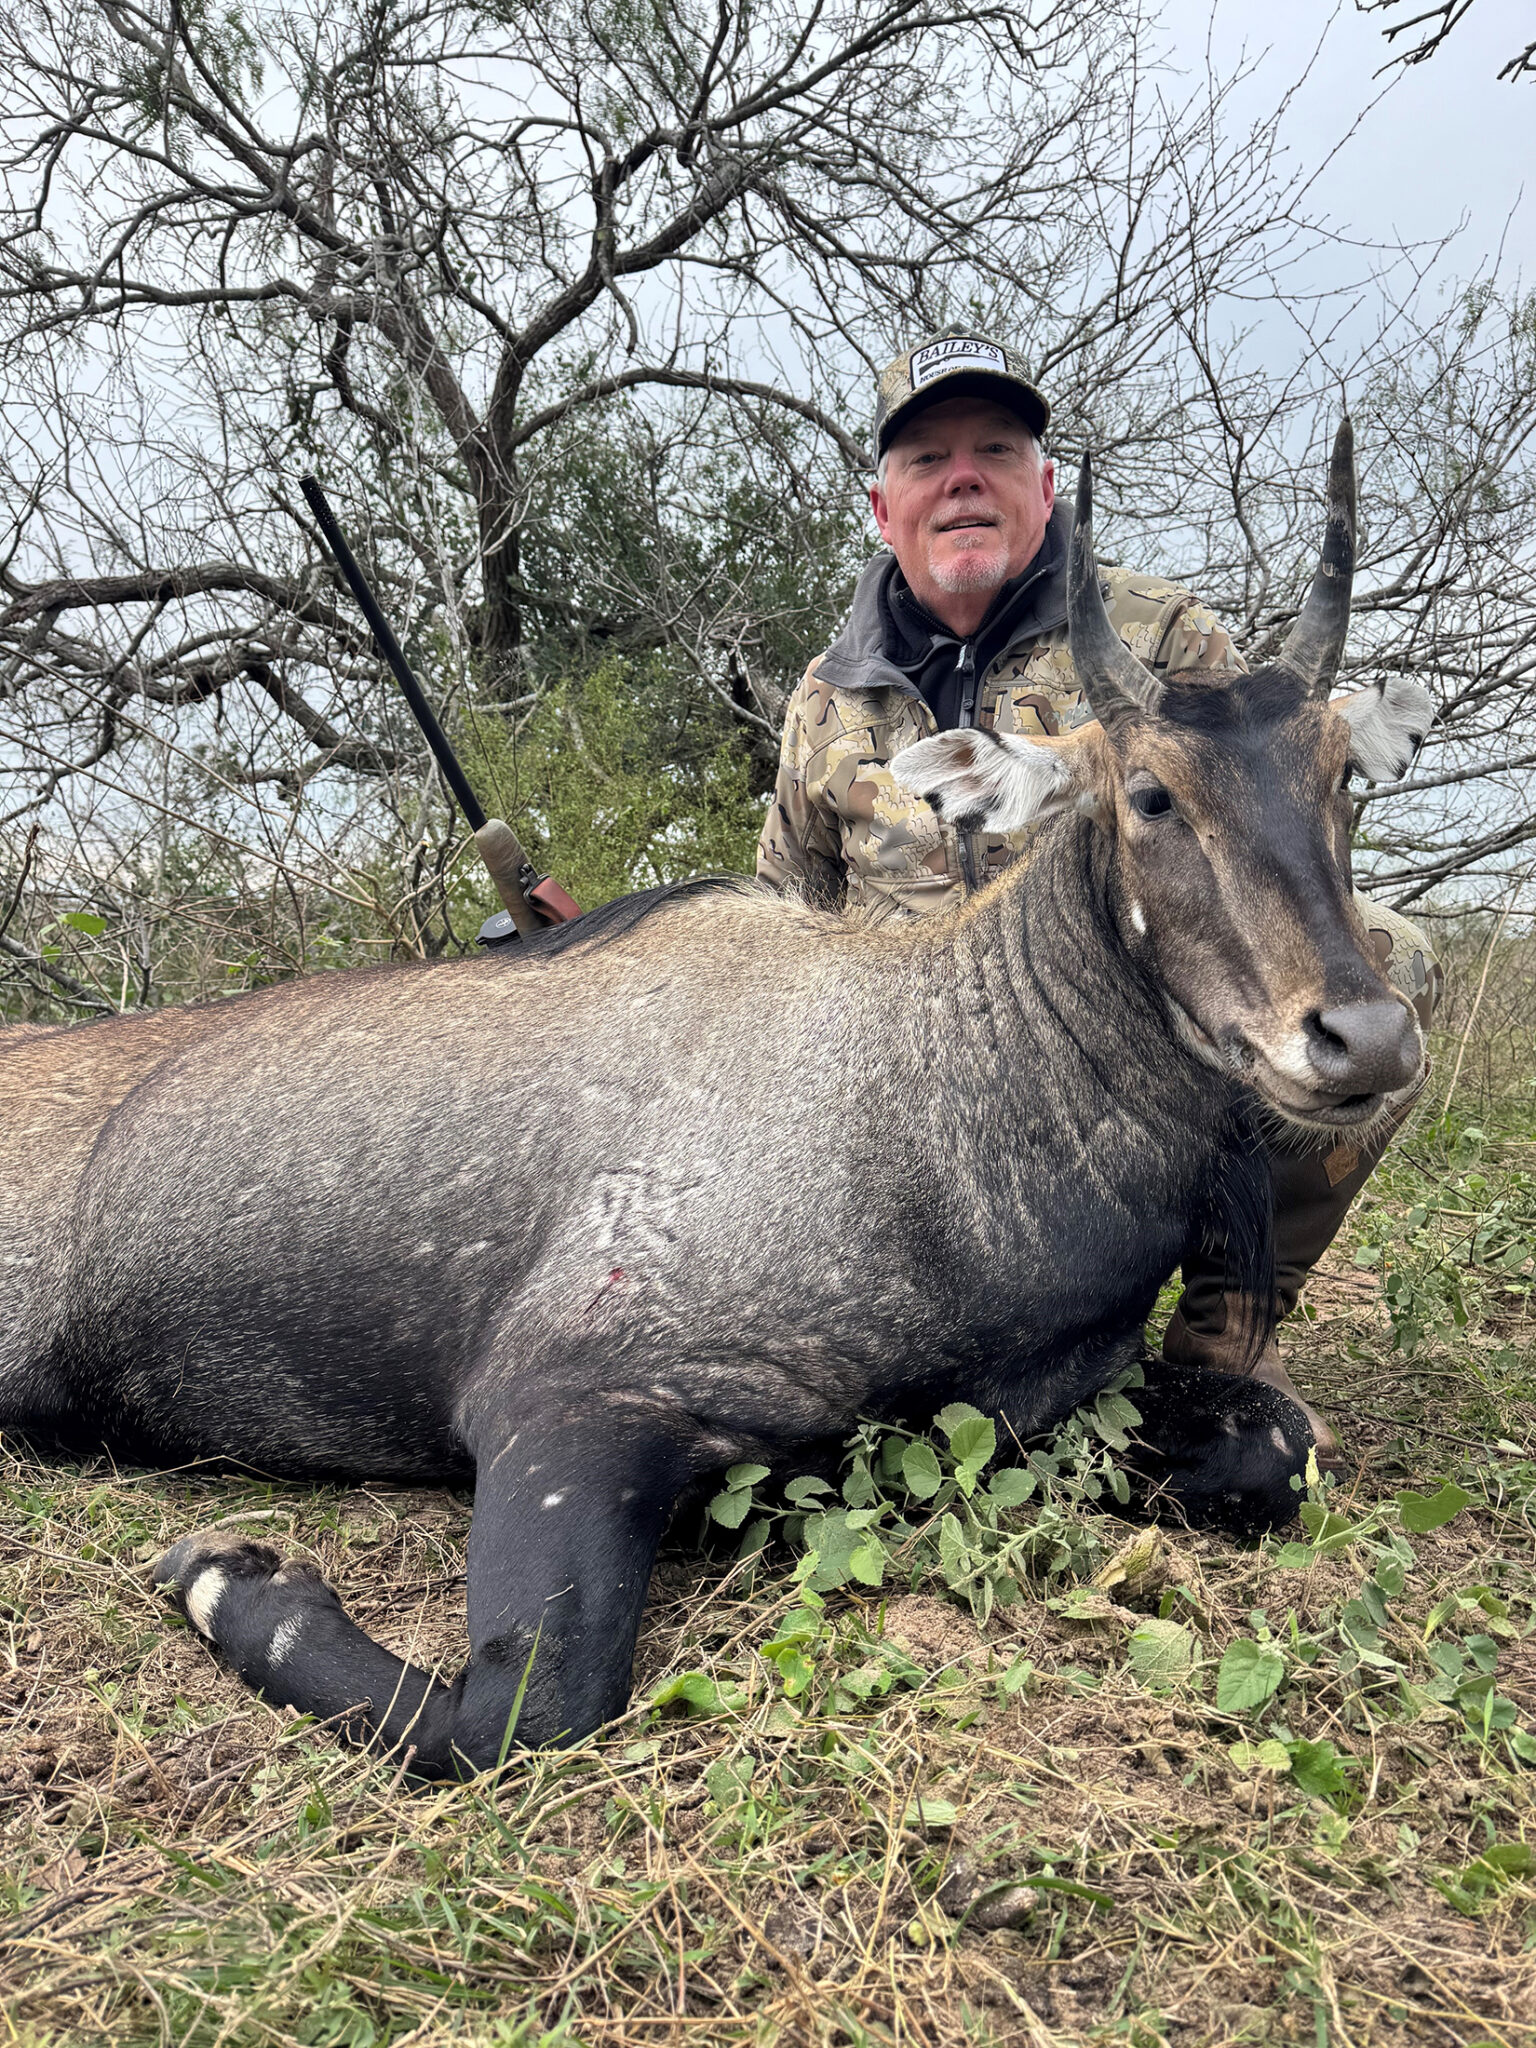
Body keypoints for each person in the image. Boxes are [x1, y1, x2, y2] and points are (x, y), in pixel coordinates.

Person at [756, 326, 1441, 1454]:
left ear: (1045, 481)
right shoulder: (825, 700)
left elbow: (1269, 813)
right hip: (901, 1094)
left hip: (1116, 1066)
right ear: (885, 507)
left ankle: (1229, 1317)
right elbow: (786, 913)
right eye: (927, 458)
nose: (963, 477)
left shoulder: (1165, 636)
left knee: (1388, 964)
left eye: (996, 448)